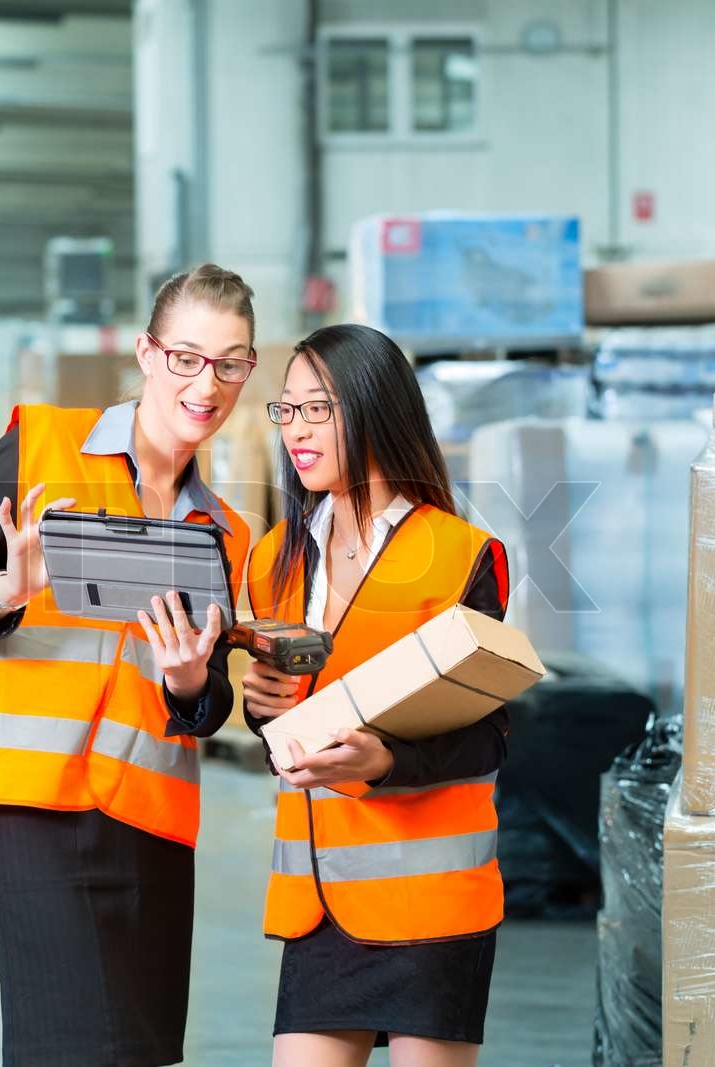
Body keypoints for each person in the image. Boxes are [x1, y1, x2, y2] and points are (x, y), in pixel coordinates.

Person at [0, 264, 257, 1066]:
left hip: (148, 813)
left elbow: (207, 705)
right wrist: (9, 585)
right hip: (29, 794)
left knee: (138, 1046)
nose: (206, 384)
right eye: (186, 356)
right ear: (146, 353)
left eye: (231, 362)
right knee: (64, 1041)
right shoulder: (40, 444)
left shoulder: (226, 530)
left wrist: (184, 680)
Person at [243, 323, 512, 1067]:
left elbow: (489, 736)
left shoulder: (458, 555)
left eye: (318, 408)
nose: (296, 429)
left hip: (431, 902)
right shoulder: (276, 558)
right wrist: (261, 708)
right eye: (287, 410)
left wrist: (383, 759)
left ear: (374, 409)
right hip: (318, 903)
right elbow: (280, 724)